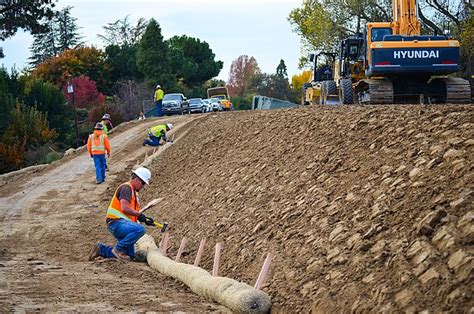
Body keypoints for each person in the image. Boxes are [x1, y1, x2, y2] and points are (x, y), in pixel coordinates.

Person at [88, 167, 157, 261]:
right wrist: (138, 214)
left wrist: (143, 218)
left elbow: (131, 213)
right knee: (141, 229)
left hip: (121, 224)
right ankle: (118, 249)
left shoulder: (132, 192)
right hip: (116, 222)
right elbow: (124, 208)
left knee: (129, 256)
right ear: (137, 179)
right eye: (143, 183)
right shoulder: (126, 188)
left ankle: (101, 249)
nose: (143, 186)